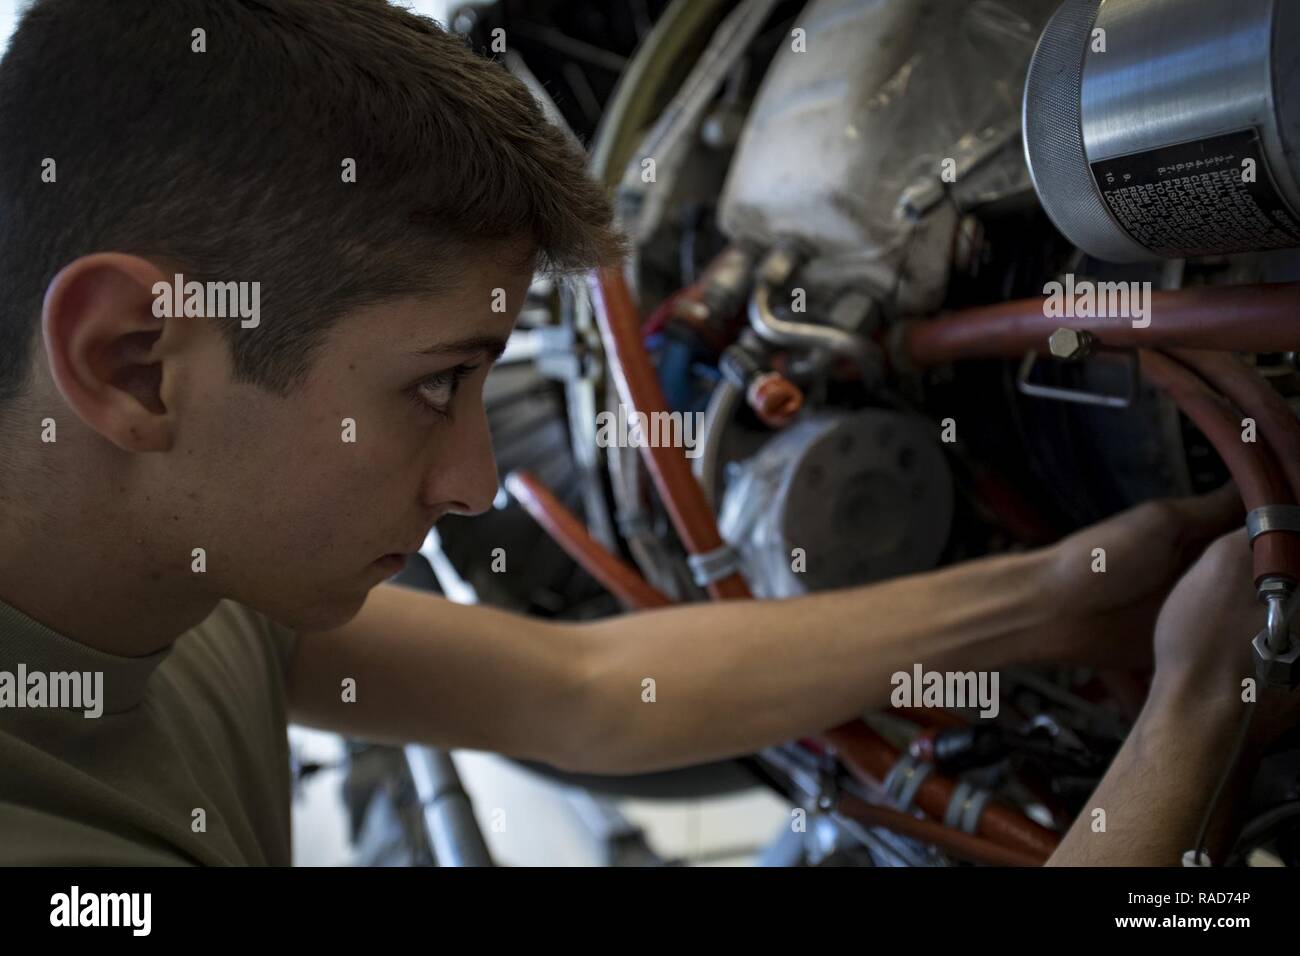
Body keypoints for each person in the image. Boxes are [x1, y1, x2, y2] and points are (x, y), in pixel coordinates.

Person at [0, 0, 1288, 866]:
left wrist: (1058, 595)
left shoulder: (187, 573)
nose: (474, 481)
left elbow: (583, 694)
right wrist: (1195, 713)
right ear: (135, 361)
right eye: (432, 385)